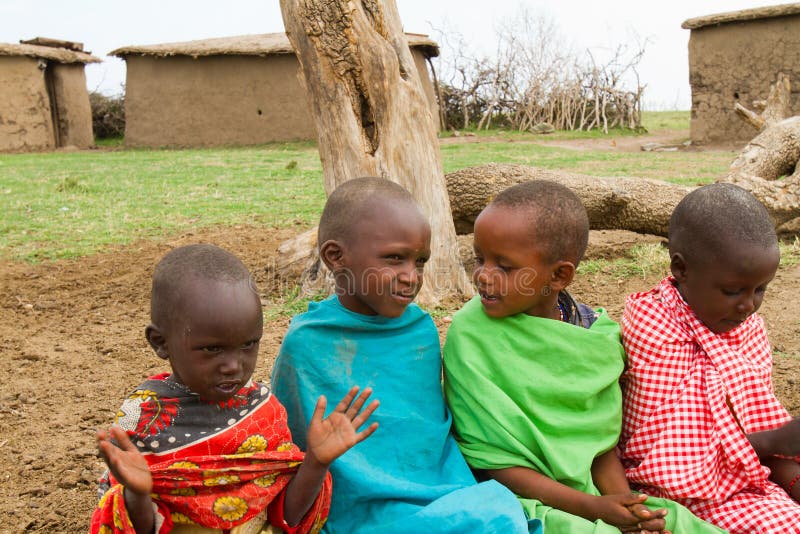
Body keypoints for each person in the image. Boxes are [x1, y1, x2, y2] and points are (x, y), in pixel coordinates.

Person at [443, 180, 725, 533]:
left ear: (560, 275)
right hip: (521, 503)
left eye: (505, 267)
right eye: (479, 258)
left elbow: (599, 444)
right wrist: (593, 509)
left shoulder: (595, 339)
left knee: (679, 525)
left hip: (595, 495)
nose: (483, 276)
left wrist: (628, 509)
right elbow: (493, 463)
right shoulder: (471, 335)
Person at [271, 177, 535, 533]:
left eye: (420, 262)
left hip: (444, 495)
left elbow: (427, 437)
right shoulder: (307, 344)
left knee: (500, 509)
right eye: (394, 259)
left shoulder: (420, 331)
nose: (411, 277)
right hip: (357, 513)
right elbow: (291, 457)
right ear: (336, 257)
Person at [91, 244, 379, 534]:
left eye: (248, 344)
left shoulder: (263, 411)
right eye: (212, 349)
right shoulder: (142, 418)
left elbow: (286, 517)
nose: (233, 366)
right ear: (160, 342)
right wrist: (138, 494)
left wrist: (316, 462)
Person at [619, 183, 800, 533]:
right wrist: (775, 441)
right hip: (675, 493)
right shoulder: (652, 326)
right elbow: (673, 463)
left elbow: (752, 414)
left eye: (760, 289)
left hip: (743, 477)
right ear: (681, 269)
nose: (748, 305)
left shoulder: (747, 328)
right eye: (733, 291)